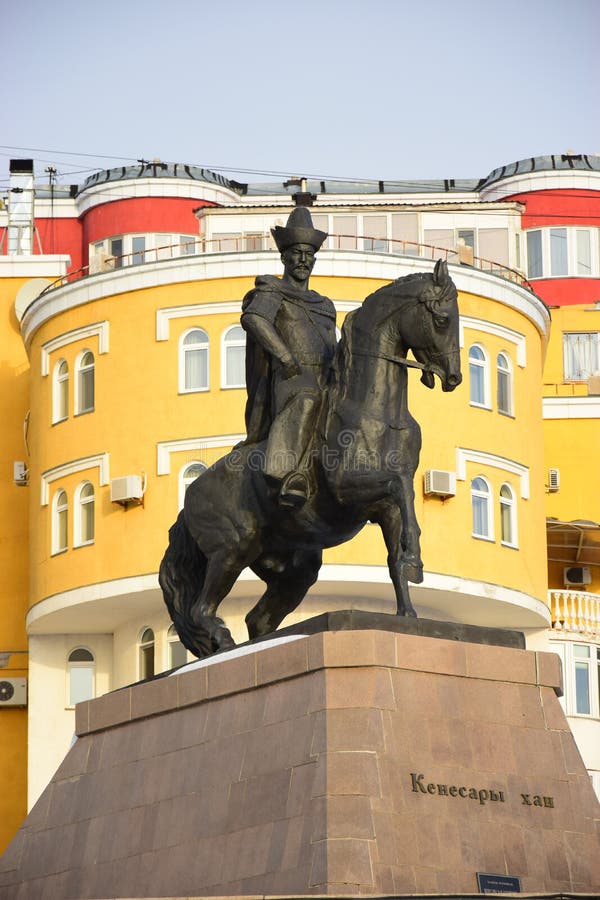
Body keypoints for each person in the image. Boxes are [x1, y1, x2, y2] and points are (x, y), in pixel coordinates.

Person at [241, 206, 337, 507]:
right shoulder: (273, 292)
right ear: (284, 257)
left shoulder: (325, 305)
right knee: (308, 398)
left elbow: (331, 345)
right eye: (297, 253)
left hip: (325, 378)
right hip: (290, 380)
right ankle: (288, 473)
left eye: (309, 254)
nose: (303, 260)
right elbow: (254, 319)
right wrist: (285, 357)